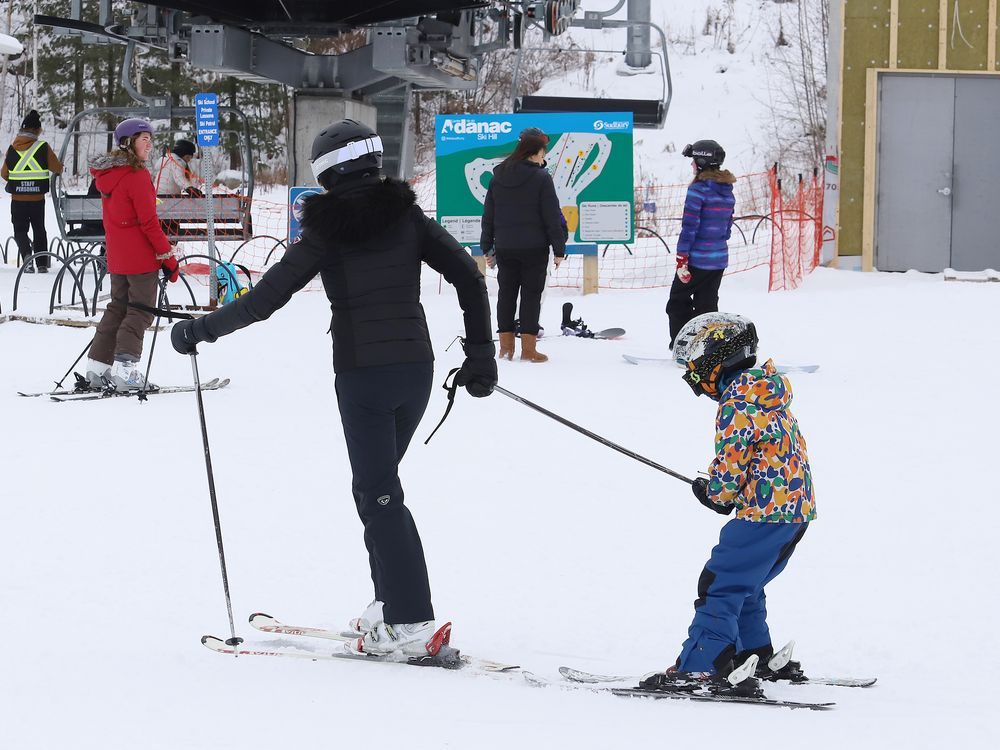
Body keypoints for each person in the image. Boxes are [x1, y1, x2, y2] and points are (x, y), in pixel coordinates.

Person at [170, 119, 497, 659]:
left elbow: (264, 299)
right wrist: (481, 354)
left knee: (380, 493)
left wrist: (198, 329)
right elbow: (469, 276)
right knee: (375, 488)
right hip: (414, 369)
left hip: (364, 376)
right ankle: (390, 604)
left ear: (326, 172)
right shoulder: (407, 218)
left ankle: (412, 620)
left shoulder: (326, 230)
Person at [640, 312, 816, 698]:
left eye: (693, 367)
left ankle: (702, 667)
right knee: (746, 585)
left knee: (719, 583)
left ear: (713, 359)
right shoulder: (765, 391)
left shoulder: (737, 403)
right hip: (794, 511)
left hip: (764, 513)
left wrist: (716, 493)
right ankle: (754, 653)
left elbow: (733, 461)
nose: (692, 378)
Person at [83, 118, 180, 390]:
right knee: (140, 311)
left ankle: (97, 368)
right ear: (128, 142)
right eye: (143, 138)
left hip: (118, 257)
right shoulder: (137, 176)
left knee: (117, 308)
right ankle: (126, 372)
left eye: (150, 138)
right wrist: (168, 258)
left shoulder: (109, 177)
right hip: (140, 259)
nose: (149, 143)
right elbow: (149, 223)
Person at [480, 127, 566, 363]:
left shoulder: (498, 178)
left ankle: (505, 349)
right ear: (532, 152)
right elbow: (551, 217)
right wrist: (559, 249)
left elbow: (488, 215)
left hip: (506, 248)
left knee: (506, 295)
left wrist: (487, 246)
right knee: (531, 296)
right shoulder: (541, 178)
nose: (543, 157)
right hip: (535, 249)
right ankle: (528, 350)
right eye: (541, 153)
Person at [665, 140, 736, 350]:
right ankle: (708, 348)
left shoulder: (698, 191)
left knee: (678, 301)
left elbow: (690, 226)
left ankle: (683, 347)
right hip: (719, 259)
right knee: (707, 304)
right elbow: (727, 228)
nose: (692, 165)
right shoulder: (727, 191)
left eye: (694, 161)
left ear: (701, 162)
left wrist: (682, 258)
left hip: (697, 259)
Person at [2, 109, 64, 273]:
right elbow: (57, 168)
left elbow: (4, 174)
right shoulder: (43, 147)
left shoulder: (12, 149)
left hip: (18, 199)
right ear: (37, 130)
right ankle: (42, 263)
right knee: (39, 229)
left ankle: (27, 256)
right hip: (37, 199)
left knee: (20, 230)